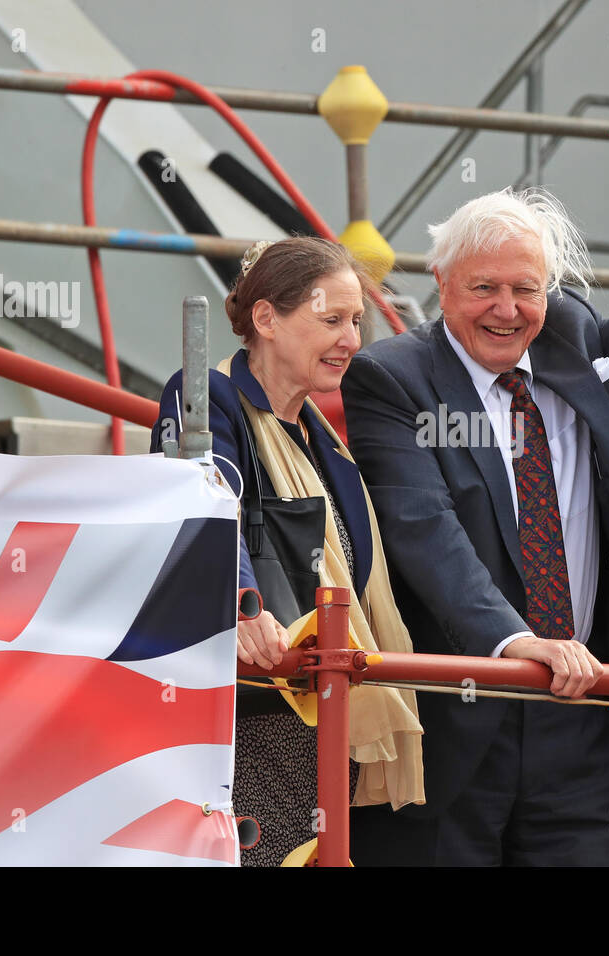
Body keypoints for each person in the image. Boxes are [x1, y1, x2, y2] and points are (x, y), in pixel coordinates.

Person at [340, 62, 609, 866]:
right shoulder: (392, 379)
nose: (506, 309)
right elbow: (426, 534)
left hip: (575, 716)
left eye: (526, 288)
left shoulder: (573, 342)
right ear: (441, 285)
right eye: (482, 287)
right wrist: (516, 642)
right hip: (457, 713)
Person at [150, 237, 423, 866]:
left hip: (320, 718)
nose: (352, 339)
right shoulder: (206, 396)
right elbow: (203, 499)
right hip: (248, 717)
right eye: (331, 320)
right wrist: (243, 606)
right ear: (267, 320)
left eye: (357, 321)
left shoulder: (324, 437)